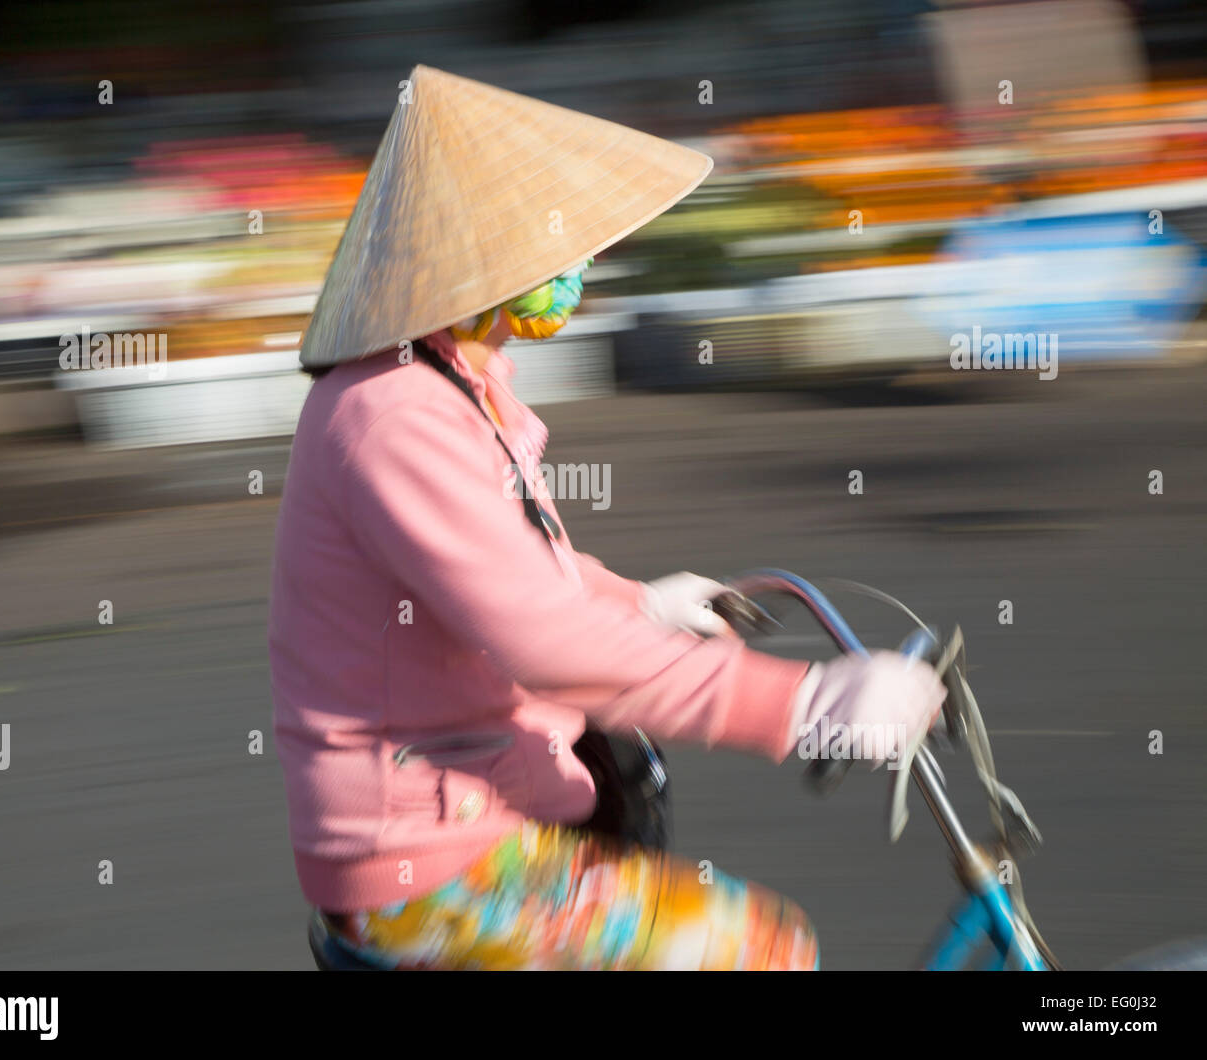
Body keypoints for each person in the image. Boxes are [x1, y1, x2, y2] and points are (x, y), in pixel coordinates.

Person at [269, 65, 945, 970]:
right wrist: (805, 703)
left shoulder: (454, 386)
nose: (577, 266)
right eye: (557, 246)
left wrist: (636, 603)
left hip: (484, 818)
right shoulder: (395, 412)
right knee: (761, 950)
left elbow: (509, 575)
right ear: (489, 258)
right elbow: (540, 640)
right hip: (430, 864)